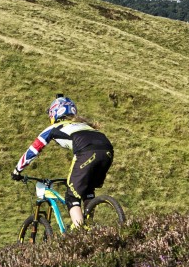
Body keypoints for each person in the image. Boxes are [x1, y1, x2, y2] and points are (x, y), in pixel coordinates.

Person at [12, 94, 114, 229]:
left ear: (54, 113)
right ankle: (89, 225)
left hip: (87, 152)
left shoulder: (55, 128)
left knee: (71, 196)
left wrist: (17, 170)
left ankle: (80, 231)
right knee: (87, 189)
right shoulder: (84, 125)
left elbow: (34, 150)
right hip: (107, 151)